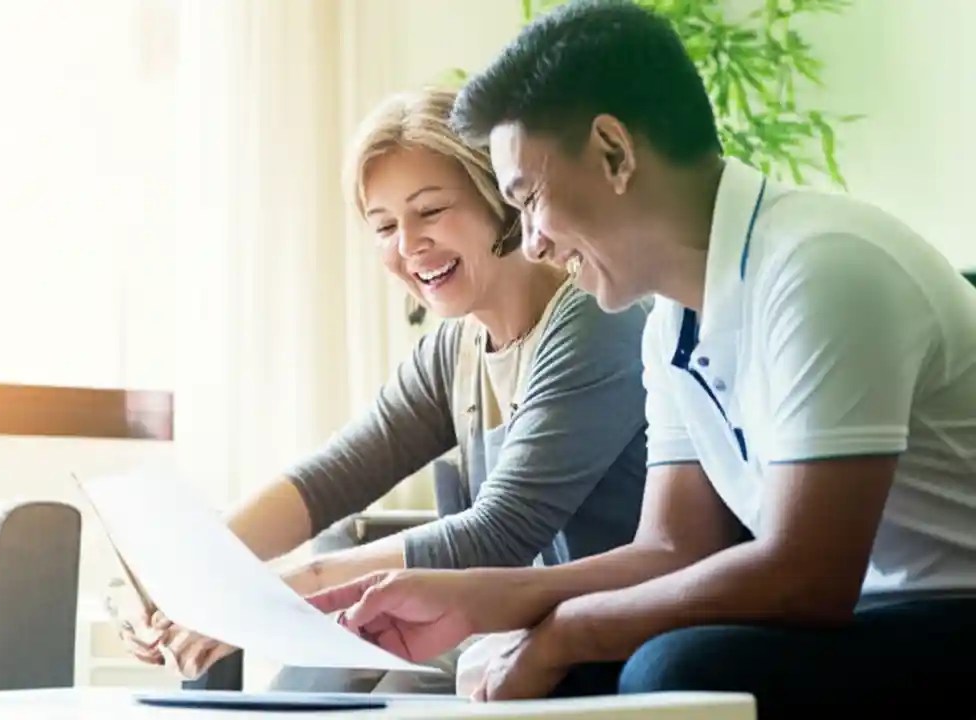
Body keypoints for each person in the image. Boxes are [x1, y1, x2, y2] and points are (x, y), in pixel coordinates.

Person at [309, 1, 976, 716]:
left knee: (668, 666)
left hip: (946, 610)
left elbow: (807, 575)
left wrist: (563, 632)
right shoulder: (671, 323)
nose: (530, 241)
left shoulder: (823, 268)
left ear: (614, 153)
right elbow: (672, 549)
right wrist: (488, 601)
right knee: (569, 665)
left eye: (528, 198)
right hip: (857, 622)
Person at [121, 86, 651, 693]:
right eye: (384, 226)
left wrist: (277, 592)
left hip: (597, 632)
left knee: (391, 695)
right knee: (306, 687)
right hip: (498, 631)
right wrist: (182, 578)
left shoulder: (592, 319)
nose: (407, 246)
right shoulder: (454, 350)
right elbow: (329, 479)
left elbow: (496, 532)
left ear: (497, 200)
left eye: (429, 212)